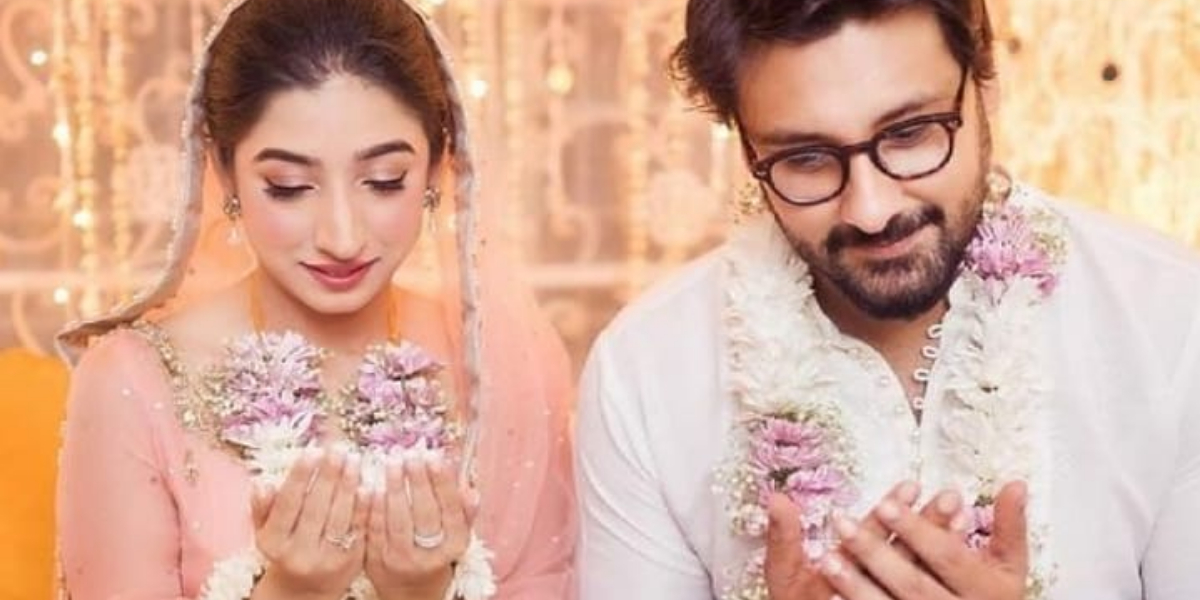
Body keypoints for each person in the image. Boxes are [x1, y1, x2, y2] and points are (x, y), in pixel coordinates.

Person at [574, 0, 1200, 599]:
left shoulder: (1169, 319)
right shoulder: (646, 372)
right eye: (806, 159)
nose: (871, 210)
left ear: (985, 84)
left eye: (910, 133)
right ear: (745, 147)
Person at [55, 0, 576, 598]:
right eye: (289, 187)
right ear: (223, 171)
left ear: (438, 165)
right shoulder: (132, 381)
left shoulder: (504, 362)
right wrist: (291, 590)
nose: (342, 237)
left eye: (384, 180)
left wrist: (420, 590)